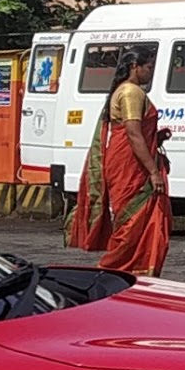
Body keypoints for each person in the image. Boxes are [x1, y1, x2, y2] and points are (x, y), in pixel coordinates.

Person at [66, 46, 172, 277]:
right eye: (149, 67)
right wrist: (153, 172)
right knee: (131, 223)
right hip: (130, 165)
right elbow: (133, 134)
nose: (151, 72)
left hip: (125, 160)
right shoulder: (131, 92)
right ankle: (110, 272)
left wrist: (157, 137)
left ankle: (131, 272)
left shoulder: (124, 91)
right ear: (135, 67)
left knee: (134, 220)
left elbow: (135, 132)